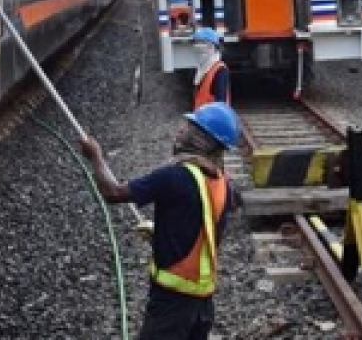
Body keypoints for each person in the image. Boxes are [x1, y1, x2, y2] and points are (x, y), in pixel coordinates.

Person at [79, 102, 242, 340]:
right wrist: (164, 233)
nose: (180, 132)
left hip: (173, 304)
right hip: (203, 305)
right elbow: (199, 224)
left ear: (201, 139)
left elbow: (113, 192)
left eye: (188, 128)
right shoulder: (222, 184)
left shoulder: (175, 177)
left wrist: (95, 156)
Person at [190, 28, 229, 108]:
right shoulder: (201, 69)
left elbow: (221, 101)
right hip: (202, 117)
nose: (197, 46)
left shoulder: (220, 70)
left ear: (212, 46)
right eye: (196, 42)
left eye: (202, 42)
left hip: (213, 118)